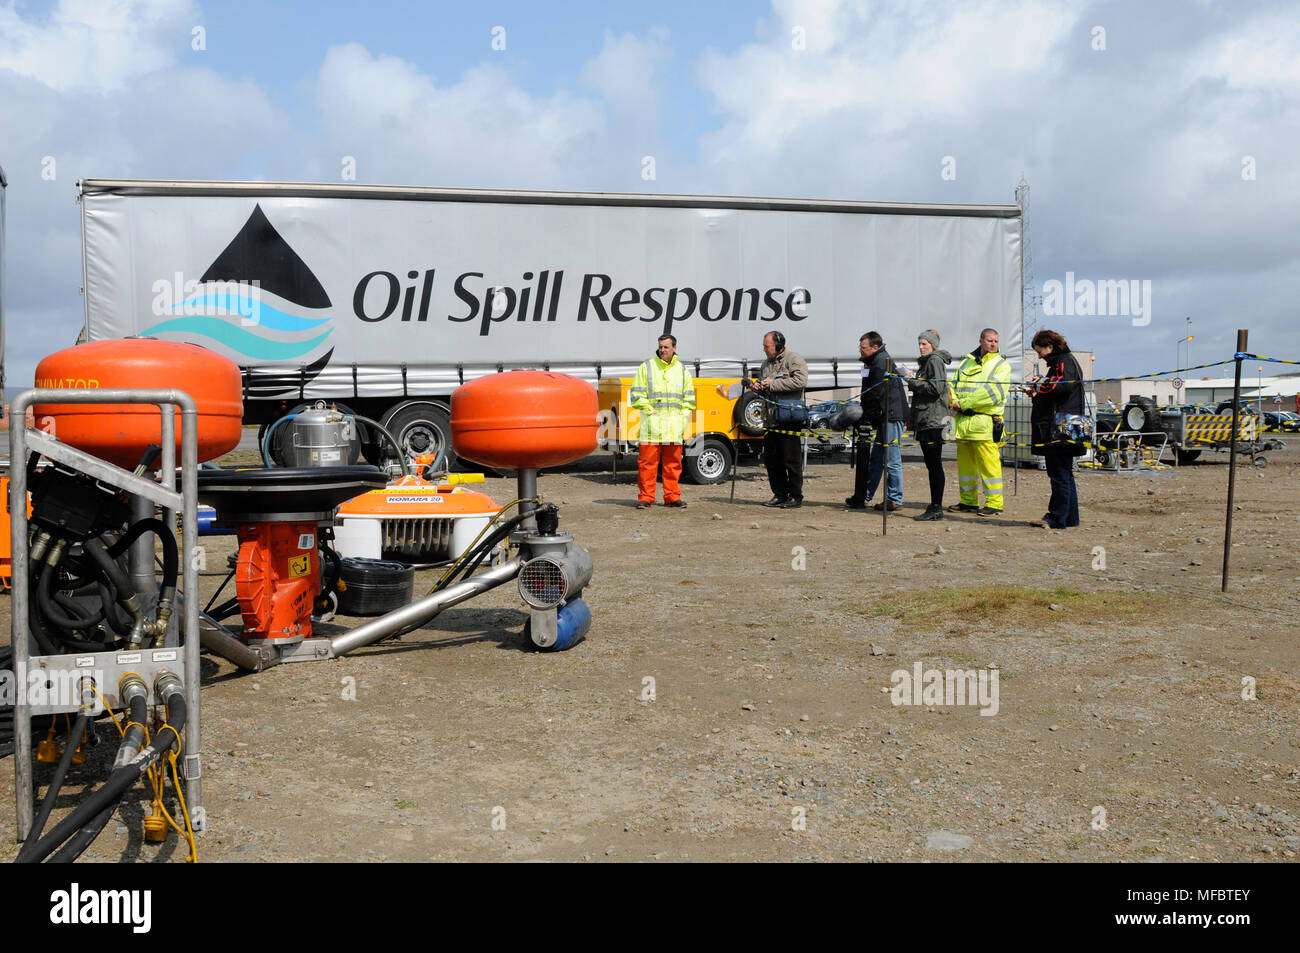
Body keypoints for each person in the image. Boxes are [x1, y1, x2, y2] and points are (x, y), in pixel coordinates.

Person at [947, 327, 1011, 516]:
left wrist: (963, 403)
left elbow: (993, 393)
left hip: (985, 424)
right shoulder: (966, 362)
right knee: (966, 468)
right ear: (981, 341)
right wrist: (954, 400)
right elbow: (953, 384)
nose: (993, 344)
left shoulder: (1001, 365)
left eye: (996, 341)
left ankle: (994, 503)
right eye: (990, 340)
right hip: (964, 424)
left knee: (989, 466)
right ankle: (968, 502)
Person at [1026, 329, 1084, 529]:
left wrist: (1040, 384)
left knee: (1059, 472)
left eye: (1039, 350)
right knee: (1065, 473)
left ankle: (1057, 517)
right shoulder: (1065, 361)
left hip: (1060, 428)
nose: (1039, 355)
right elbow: (1057, 391)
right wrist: (1038, 392)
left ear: (1049, 347)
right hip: (1065, 425)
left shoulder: (1064, 361)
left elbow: (1063, 387)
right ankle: (1069, 517)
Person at [630, 334, 696, 509]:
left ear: (674, 348)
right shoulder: (647, 367)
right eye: (661, 347)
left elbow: (689, 400)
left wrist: (682, 419)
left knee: (673, 465)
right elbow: (636, 395)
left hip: (674, 428)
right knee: (647, 465)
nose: (662, 350)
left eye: (666, 347)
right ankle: (645, 498)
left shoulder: (682, 371)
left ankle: (672, 497)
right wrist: (649, 411)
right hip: (651, 428)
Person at [846, 331, 907, 511]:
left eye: (863, 348)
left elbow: (878, 395)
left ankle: (894, 499)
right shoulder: (874, 362)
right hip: (884, 416)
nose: (860, 350)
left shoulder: (881, 363)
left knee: (891, 459)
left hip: (891, 415)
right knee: (877, 458)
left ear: (874, 347)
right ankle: (864, 496)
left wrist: (867, 414)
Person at [750, 331, 808, 508]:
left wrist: (773, 384)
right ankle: (779, 494)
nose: (764, 349)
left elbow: (801, 381)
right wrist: (758, 387)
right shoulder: (765, 364)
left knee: (791, 460)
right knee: (772, 461)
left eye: (767, 346)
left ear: (779, 345)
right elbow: (765, 387)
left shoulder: (794, 360)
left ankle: (795, 496)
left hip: (788, 418)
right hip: (771, 420)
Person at [899, 329, 951, 520]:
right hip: (927, 419)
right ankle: (935, 505)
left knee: (934, 464)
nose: (921, 347)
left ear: (933, 345)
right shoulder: (928, 362)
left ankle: (936, 507)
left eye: (925, 344)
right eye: (919, 343)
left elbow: (937, 387)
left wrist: (912, 382)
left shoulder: (934, 360)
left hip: (933, 420)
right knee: (932, 464)